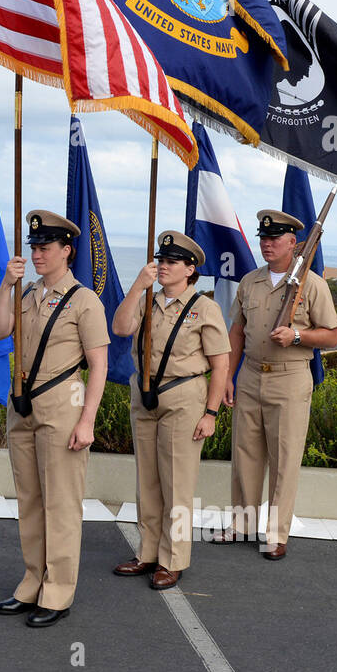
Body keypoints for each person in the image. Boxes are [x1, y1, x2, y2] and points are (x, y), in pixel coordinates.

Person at [0, 210, 108, 627]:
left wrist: (87, 420)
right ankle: (32, 579)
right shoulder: (27, 293)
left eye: (44, 248)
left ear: (66, 251)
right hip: (22, 406)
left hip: (62, 405)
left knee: (60, 501)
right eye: (33, 247)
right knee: (30, 499)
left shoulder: (84, 300)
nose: (36, 254)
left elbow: (99, 364)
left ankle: (57, 590)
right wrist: (6, 284)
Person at [210, 209, 337, 560]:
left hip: (290, 378)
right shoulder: (251, 281)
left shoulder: (312, 285)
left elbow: (331, 335)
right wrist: (227, 378)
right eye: (263, 238)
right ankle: (241, 525)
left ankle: (277, 533)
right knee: (245, 455)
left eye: (274, 239)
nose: (266, 244)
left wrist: (297, 335)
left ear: (293, 243)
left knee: (284, 459)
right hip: (251, 375)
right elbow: (237, 331)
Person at [110, 232, 230, 590]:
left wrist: (210, 413)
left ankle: (173, 558)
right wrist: (137, 287)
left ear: (190, 269)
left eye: (171, 262)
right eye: (160, 260)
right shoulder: (147, 301)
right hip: (145, 395)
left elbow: (221, 365)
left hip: (184, 397)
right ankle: (148, 552)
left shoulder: (205, 308)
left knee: (177, 482)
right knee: (147, 480)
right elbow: (119, 328)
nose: (162, 266)